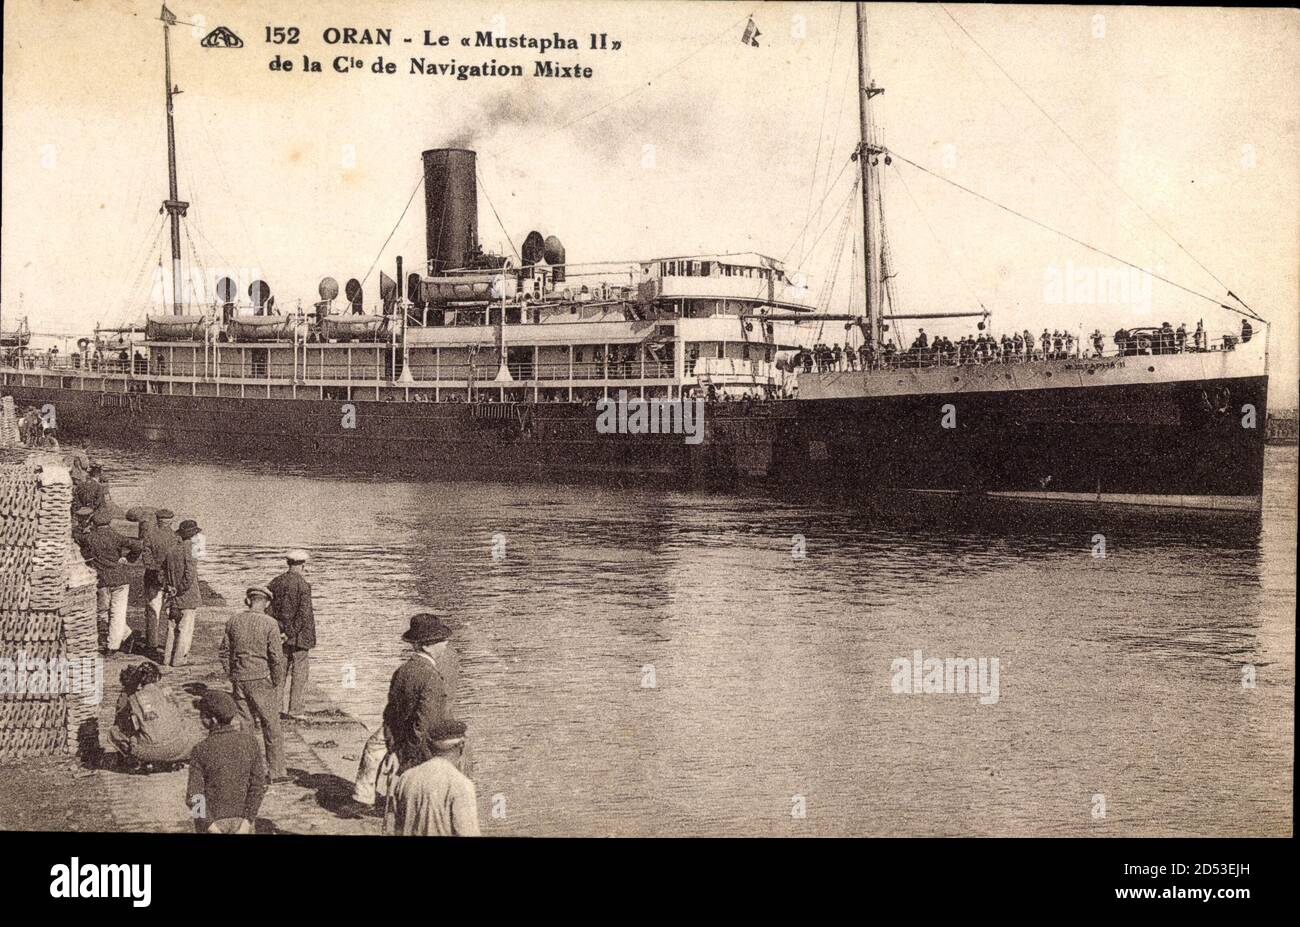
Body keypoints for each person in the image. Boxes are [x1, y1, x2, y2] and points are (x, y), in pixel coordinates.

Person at [351, 614, 457, 812]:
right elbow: (424, 722)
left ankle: (363, 798)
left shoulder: (402, 670)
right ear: (426, 646)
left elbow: (390, 711)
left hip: (397, 730)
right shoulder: (432, 677)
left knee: (374, 747)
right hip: (418, 739)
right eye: (441, 640)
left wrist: (392, 745)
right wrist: (403, 752)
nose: (446, 643)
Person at [219, 586, 288, 782]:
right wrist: (277, 681)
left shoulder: (234, 621)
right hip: (260, 679)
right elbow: (276, 657)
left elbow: (223, 653)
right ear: (266, 603)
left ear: (248, 600)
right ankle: (276, 772)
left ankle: (245, 770)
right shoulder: (270, 624)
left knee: (245, 725)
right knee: (271, 726)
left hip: (239, 678)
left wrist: (232, 673)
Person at [187, 690, 268, 834]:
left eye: (202, 716)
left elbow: (194, 796)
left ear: (213, 720)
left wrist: (210, 826)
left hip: (212, 823)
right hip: (242, 822)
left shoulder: (200, 749)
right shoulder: (251, 743)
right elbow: (258, 787)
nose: (200, 719)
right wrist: (247, 822)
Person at [387, 719, 480, 837]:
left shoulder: (406, 778)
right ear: (461, 747)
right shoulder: (461, 784)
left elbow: (396, 827)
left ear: (431, 748)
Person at [107, 662, 200, 769]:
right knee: (188, 723)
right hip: (179, 747)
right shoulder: (167, 690)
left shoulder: (133, 698)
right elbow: (179, 713)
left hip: (151, 752)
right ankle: (174, 758)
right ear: (157, 677)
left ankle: (137, 760)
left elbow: (128, 725)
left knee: (113, 732)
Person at [83, 510, 142, 653]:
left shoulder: (89, 538)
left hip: (102, 579)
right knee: (117, 612)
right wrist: (128, 559)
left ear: (94, 523)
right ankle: (120, 640)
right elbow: (138, 546)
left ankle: (117, 642)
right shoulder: (115, 536)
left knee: (102, 612)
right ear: (109, 523)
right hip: (120, 578)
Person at [269, 549, 315, 719]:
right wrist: (290, 632)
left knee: (279, 671)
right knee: (300, 674)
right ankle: (296, 710)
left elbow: (269, 608)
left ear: (288, 563)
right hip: (300, 637)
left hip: (280, 635)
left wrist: (281, 631)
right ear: (302, 565)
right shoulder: (303, 585)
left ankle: (275, 708)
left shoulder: (276, 582)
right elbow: (303, 614)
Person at [161, 520, 203, 669]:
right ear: (193, 535)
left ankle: (167, 659)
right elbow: (189, 575)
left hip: (171, 595)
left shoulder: (172, 549)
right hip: (186, 595)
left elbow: (163, 573)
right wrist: (179, 590)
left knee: (172, 628)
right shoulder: (190, 549)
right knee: (185, 629)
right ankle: (179, 659)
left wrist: (170, 588)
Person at [141, 509, 177, 661]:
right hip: (170, 579)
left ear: (157, 520)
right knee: (171, 613)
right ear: (171, 522)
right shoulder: (176, 537)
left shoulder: (149, 535)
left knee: (152, 611)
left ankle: (151, 645)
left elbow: (146, 557)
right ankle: (171, 646)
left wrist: (155, 569)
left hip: (152, 577)